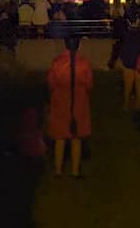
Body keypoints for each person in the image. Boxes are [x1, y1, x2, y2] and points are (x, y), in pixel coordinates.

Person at [46, 34, 94, 179]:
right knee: (76, 137)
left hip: (60, 101)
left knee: (60, 136)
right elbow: (89, 84)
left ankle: (58, 170)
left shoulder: (57, 63)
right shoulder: (83, 63)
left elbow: (51, 83)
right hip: (79, 102)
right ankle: (75, 171)